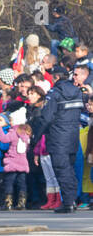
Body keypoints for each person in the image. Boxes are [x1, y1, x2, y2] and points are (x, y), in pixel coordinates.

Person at [30, 62, 89, 213]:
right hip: (73, 137)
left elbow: (46, 118)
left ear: (56, 77)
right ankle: (72, 200)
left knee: (62, 170)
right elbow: (83, 111)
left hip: (58, 137)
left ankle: (68, 203)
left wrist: (35, 137)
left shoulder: (54, 93)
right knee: (69, 169)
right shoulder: (77, 92)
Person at [0, 117, 32, 211]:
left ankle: (8, 204)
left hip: (12, 163)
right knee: (22, 183)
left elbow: (3, 139)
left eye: (11, 120)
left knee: (9, 183)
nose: (10, 122)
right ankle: (22, 203)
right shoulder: (26, 135)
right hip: (23, 163)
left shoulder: (14, 132)